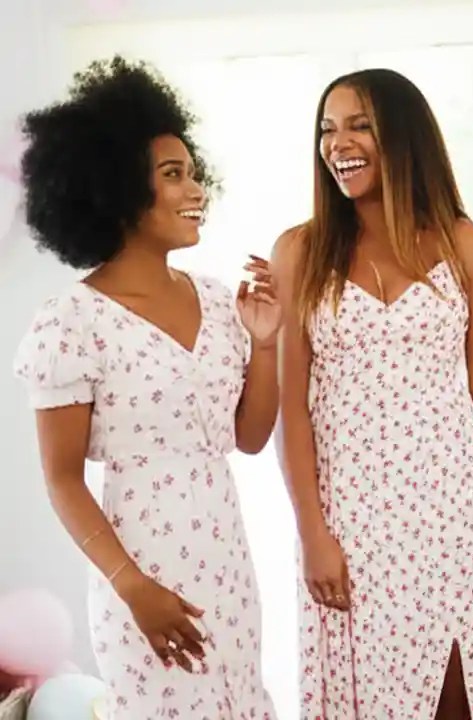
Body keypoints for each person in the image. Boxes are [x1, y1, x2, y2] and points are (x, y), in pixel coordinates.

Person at [12, 56, 279, 717]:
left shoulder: (220, 303)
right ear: (117, 189)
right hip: (141, 573)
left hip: (228, 567)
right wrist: (133, 587)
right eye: (172, 175)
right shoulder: (70, 322)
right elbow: (63, 479)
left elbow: (247, 438)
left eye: (193, 173)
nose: (196, 189)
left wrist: (267, 342)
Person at [272, 68, 473, 719]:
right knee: (372, 695)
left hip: (454, 508)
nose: (340, 143)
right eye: (329, 129)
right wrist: (312, 532)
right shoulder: (300, 251)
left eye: (360, 125)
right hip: (352, 516)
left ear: (404, 136)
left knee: (458, 694)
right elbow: (292, 410)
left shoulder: (462, 243)